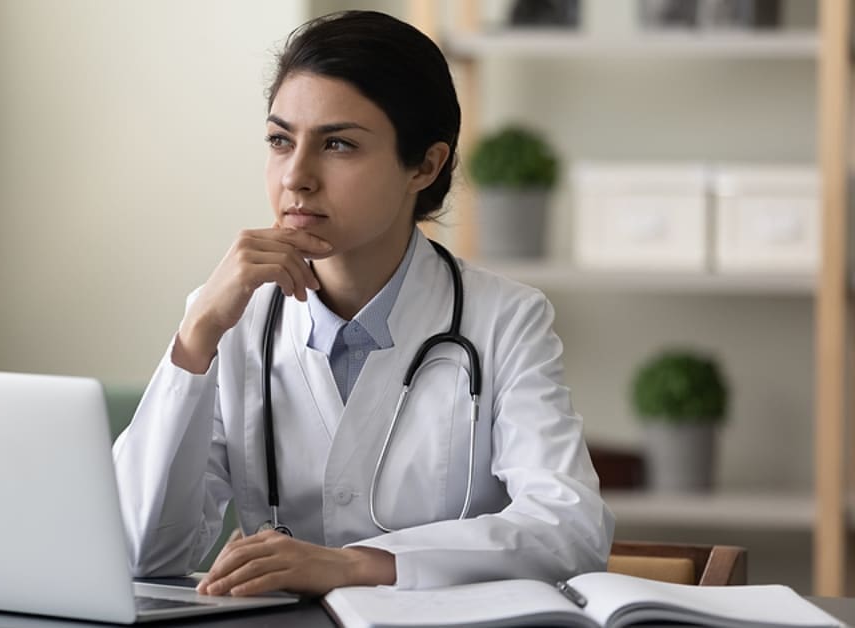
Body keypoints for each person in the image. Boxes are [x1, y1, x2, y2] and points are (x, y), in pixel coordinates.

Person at [112, 10, 614, 597]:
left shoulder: (506, 319)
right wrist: (196, 337)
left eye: (338, 144)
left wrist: (356, 565)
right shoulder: (232, 316)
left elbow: (570, 529)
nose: (296, 177)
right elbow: (143, 553)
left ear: (425, 165)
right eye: (280, 140)